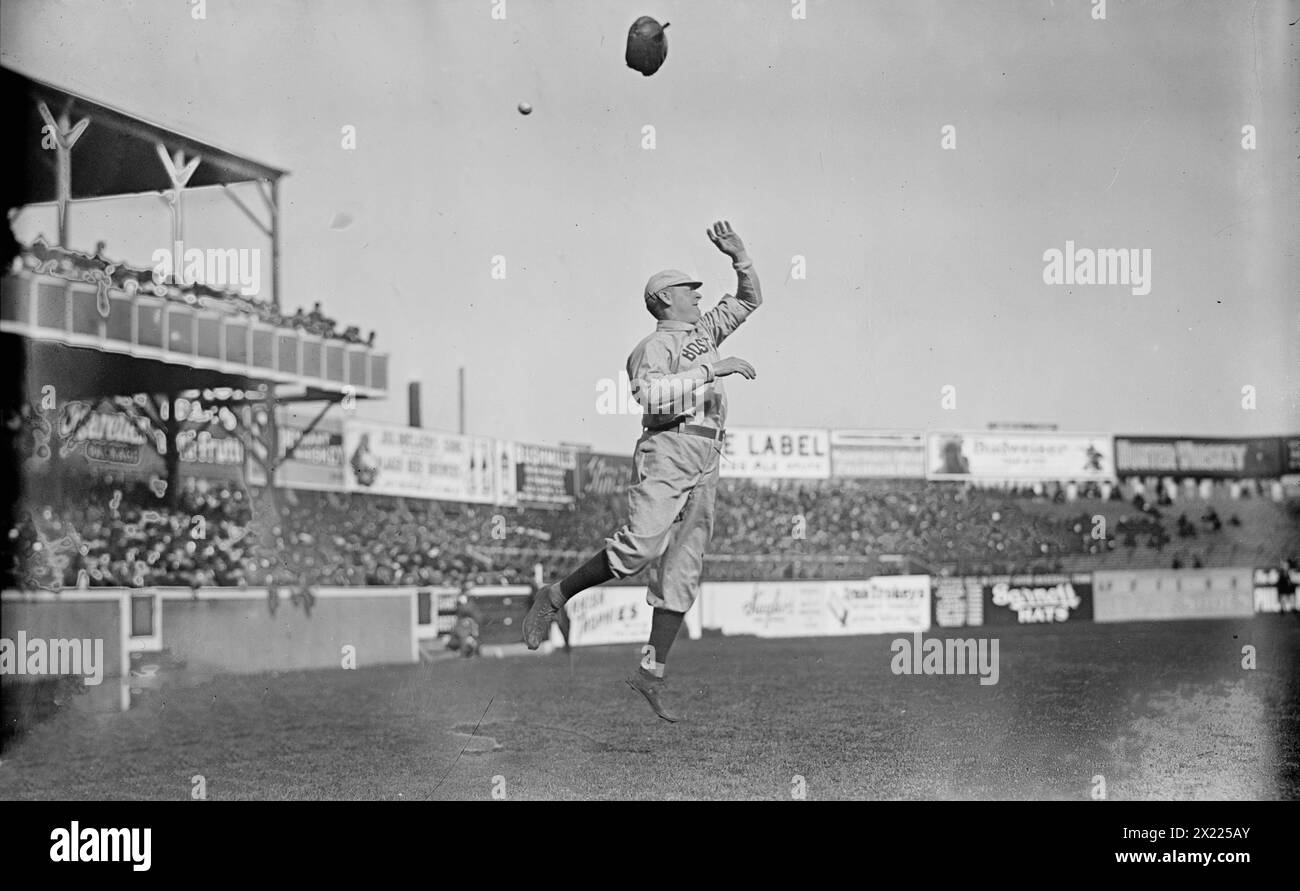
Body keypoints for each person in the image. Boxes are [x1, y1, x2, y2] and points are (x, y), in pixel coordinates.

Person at [521, 220, 761, 722]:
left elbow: (748, 300)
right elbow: (649, 395)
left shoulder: (705, 331)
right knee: (638, 549)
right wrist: (710, 370)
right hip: (669, 446)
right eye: (688, 292)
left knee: (683, 567)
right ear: (663, 300)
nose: (698, 298)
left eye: (698, 291)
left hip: (708, 455)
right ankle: (556, 595)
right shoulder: (651, 348)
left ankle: (651, 672)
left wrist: (739, 255)